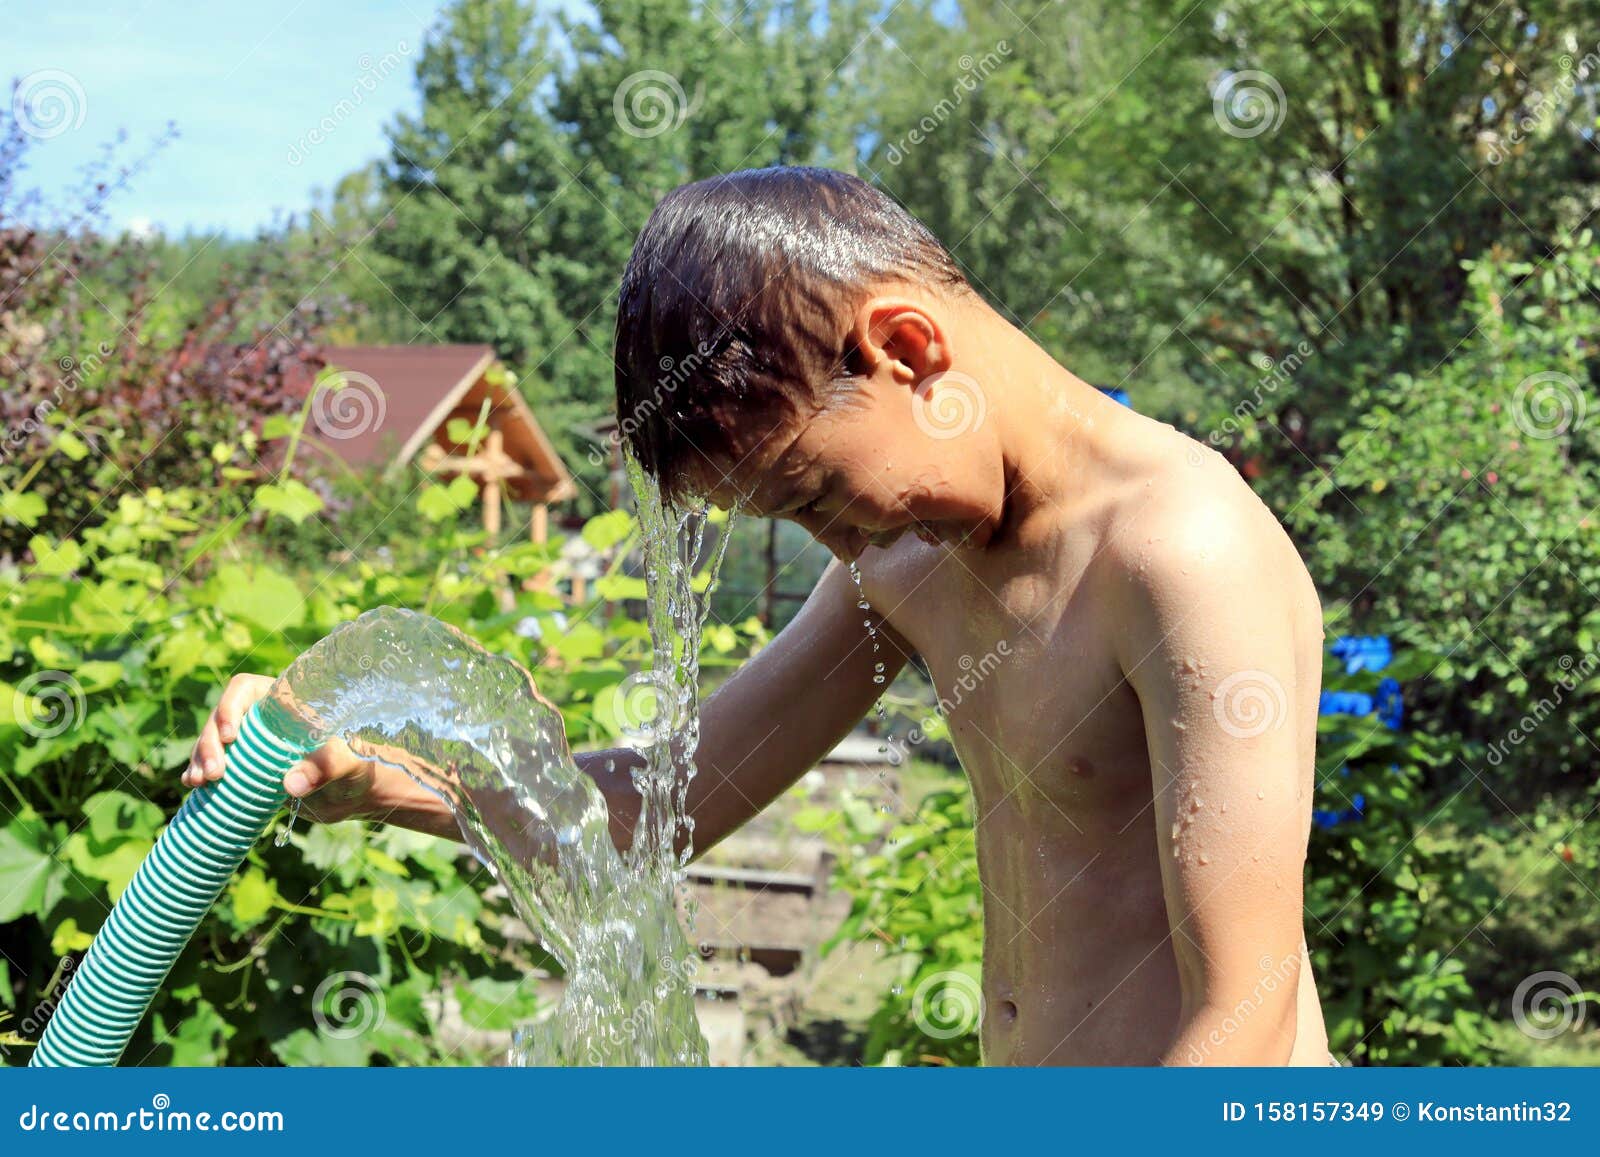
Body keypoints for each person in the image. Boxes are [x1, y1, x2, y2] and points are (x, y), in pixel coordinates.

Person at [189, 166, 1331, 1065]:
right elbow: (651, 809)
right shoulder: (911, 561)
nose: (840, 545)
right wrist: (372, 778)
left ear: (906, 349)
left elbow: (1251, 1012)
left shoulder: (1179, 550)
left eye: (819, 494)